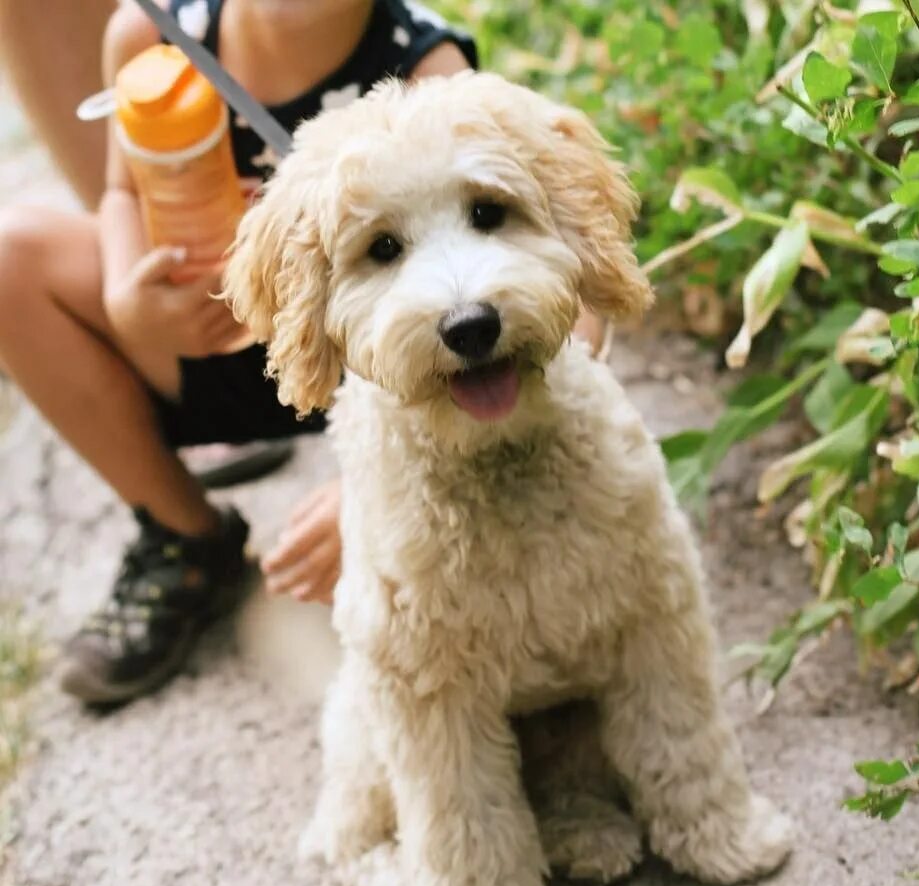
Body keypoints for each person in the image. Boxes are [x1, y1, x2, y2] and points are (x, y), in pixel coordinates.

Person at [0, 0, 605, 707]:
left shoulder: (424, 67)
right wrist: (131, 296)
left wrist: (368, 496)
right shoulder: (154, 34)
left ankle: (428, 494)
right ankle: (186, 536)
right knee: (10, 260)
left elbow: (567, 289)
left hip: (389, 368)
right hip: (208, 337)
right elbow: (119, 191)